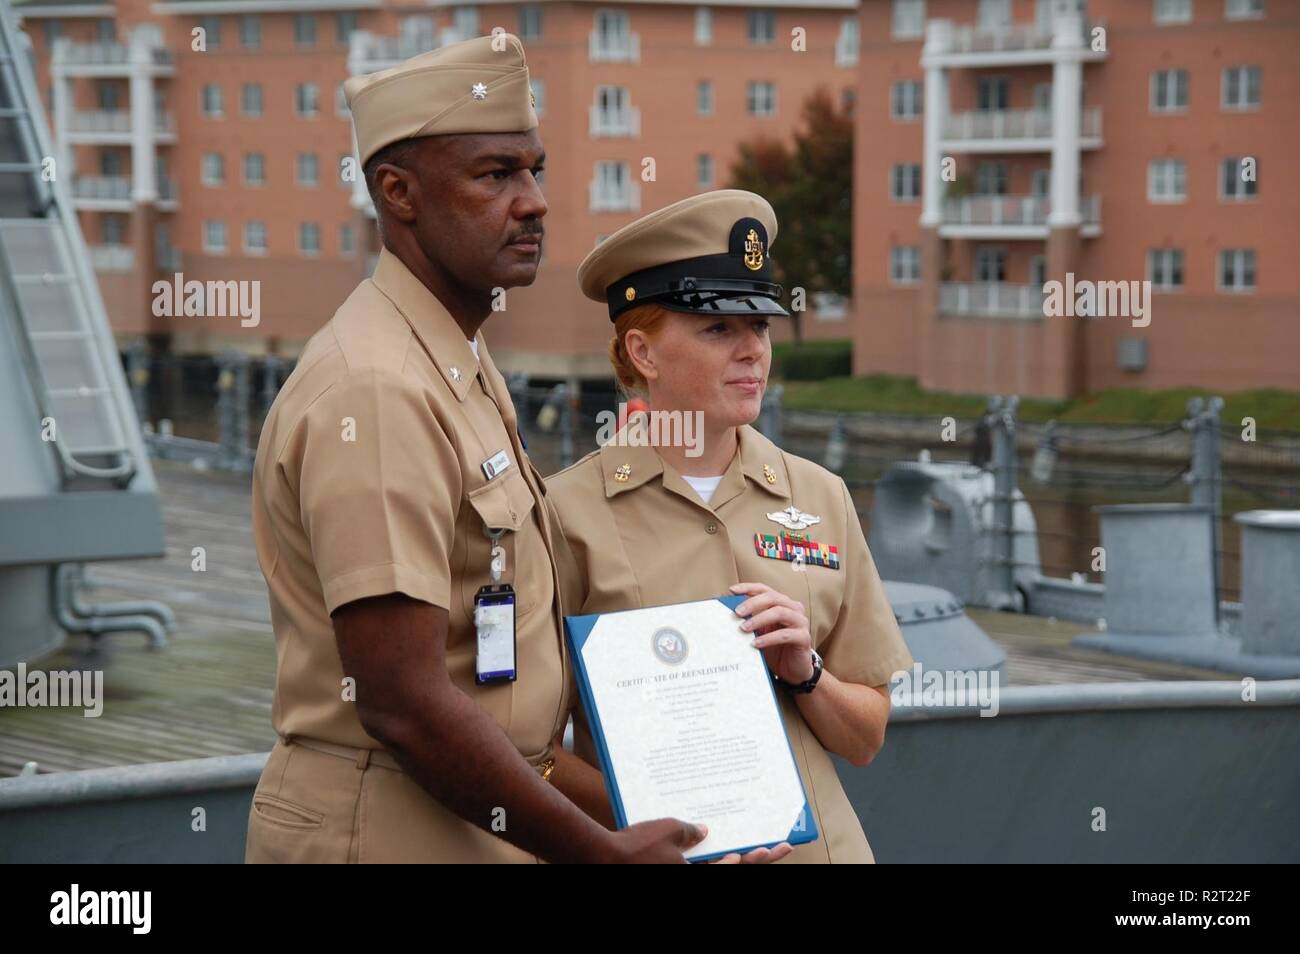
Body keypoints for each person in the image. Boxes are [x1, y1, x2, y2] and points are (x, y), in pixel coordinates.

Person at [245, 33, 715, 863]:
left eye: (534, 170)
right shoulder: (379, 390)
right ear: (399, 194)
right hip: (388, 832)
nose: (534, 200)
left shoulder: (453, 357)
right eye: (495, 175)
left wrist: (676, 820)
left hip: (475, 816)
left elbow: (490, 693)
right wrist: (601, 854)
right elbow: (404, 703)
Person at [545, 190, 915, 863]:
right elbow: (532, 753)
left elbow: (866, 738)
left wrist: (806, 672)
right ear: (643, 352)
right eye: (718, 329)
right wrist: (667, 829)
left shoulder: (820, 496)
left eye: (761, 327)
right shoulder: (563, 516)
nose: (752, 351)